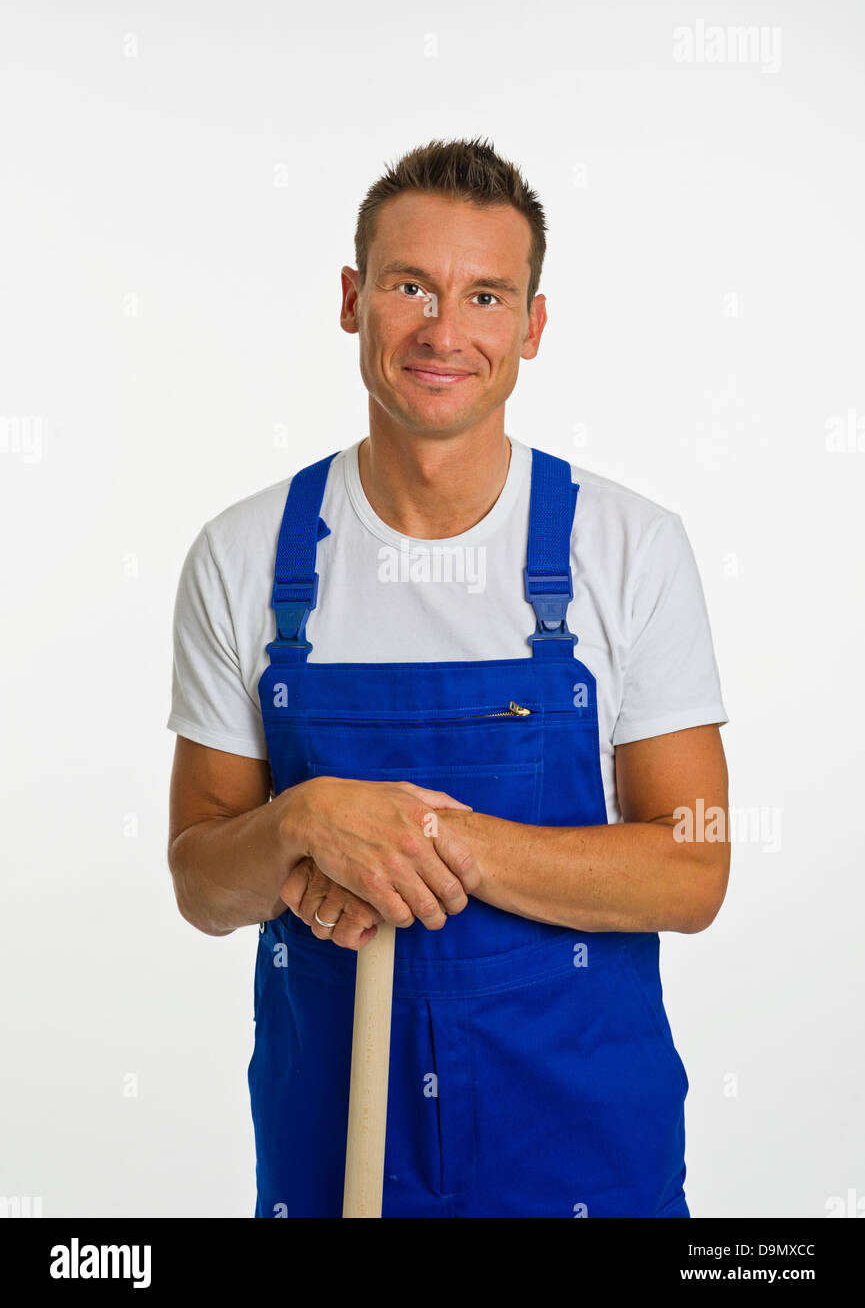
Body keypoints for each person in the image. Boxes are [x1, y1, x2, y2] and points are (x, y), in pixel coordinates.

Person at [166, 136, 730, 1219]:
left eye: (485, 296)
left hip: (583, 1152)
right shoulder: (245, 555)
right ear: (353, 298)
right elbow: (202, 880)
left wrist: (433, 843)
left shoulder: (626, 547)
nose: (443, 330)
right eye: (410, 285)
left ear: (531, 326)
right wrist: (303, 821)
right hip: (334, 1150)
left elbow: (692, 868)